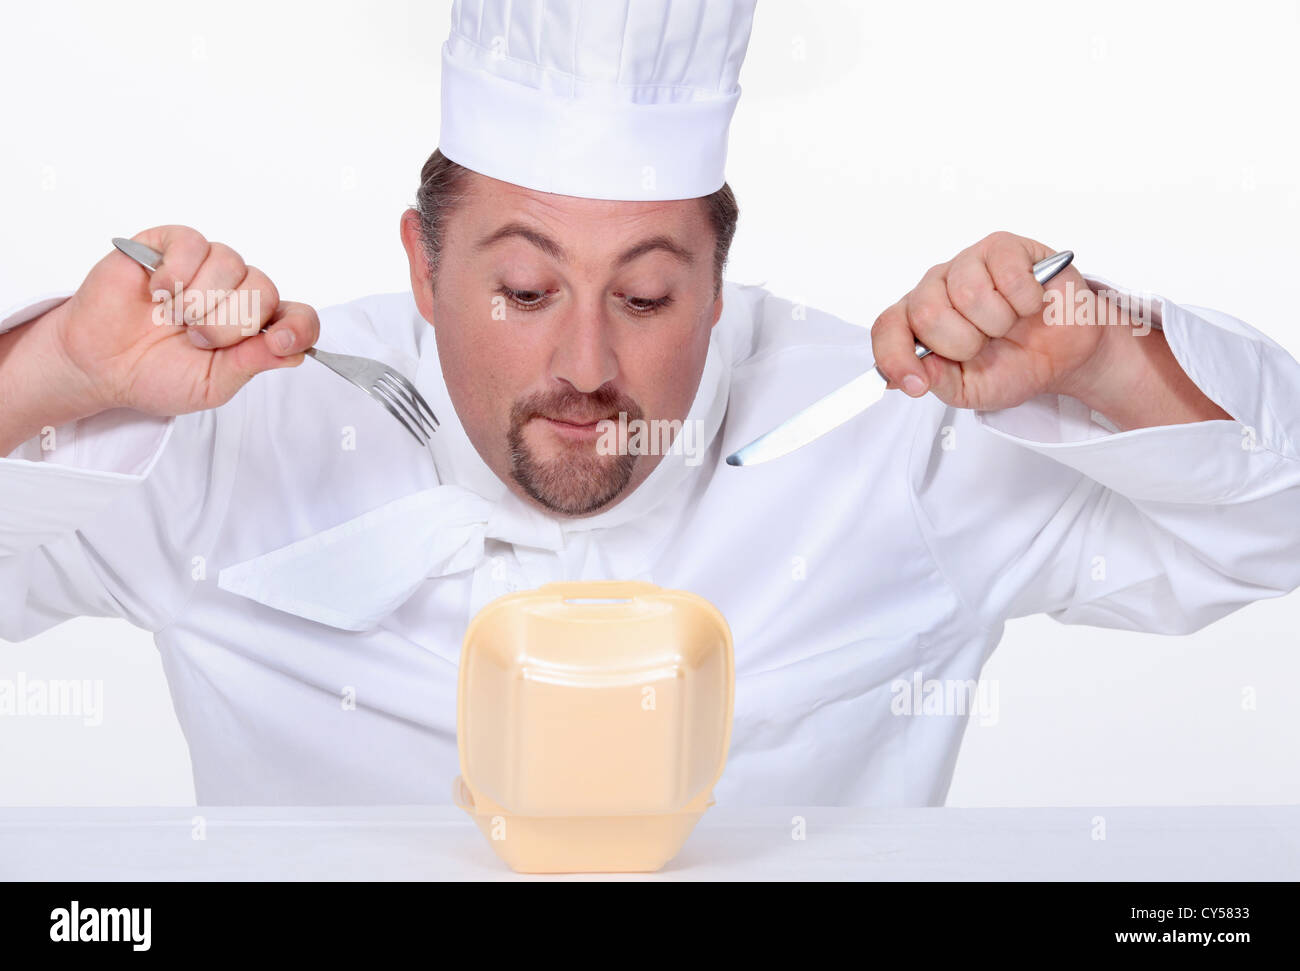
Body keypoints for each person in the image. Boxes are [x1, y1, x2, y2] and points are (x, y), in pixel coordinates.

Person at [2, 0, 1298, 807]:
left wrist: (1107, 355)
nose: (583, 362)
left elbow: (1273, 529)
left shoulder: (896, 434)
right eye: (519, 288)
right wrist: (62, 369)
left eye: (648, 294)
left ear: (723, 286)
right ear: (421, 265)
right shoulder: (235, 426)